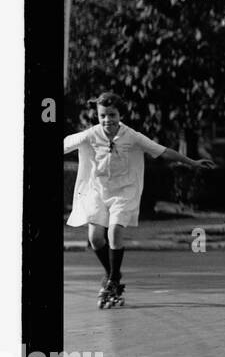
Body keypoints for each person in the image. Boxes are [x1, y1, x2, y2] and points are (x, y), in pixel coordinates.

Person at [64, 91, 215, 308]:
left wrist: (192, 162)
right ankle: (112, 274)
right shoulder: (91, 134)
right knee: (95, 238)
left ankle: (113, 281)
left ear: (121, 115)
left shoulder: (131, 135)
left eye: (112, 115)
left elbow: (162, 151)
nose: (108, 120)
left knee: (115, 231)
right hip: (97, 191)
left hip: (123, 192)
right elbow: (67, 143)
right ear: (97, 115)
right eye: (103, 115)